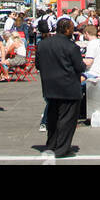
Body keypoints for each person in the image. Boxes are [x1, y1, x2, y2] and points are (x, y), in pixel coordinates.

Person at [35, 17, 86, 157]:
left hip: (50, 87)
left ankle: (51, 144)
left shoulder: (43, 44)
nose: (73, 30)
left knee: (52, 118)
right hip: (68, 88)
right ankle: (62, 148)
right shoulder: (71, 46)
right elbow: (79, 67)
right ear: (67, 29)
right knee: (67, 120)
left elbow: (37, 65)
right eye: (72, 28)